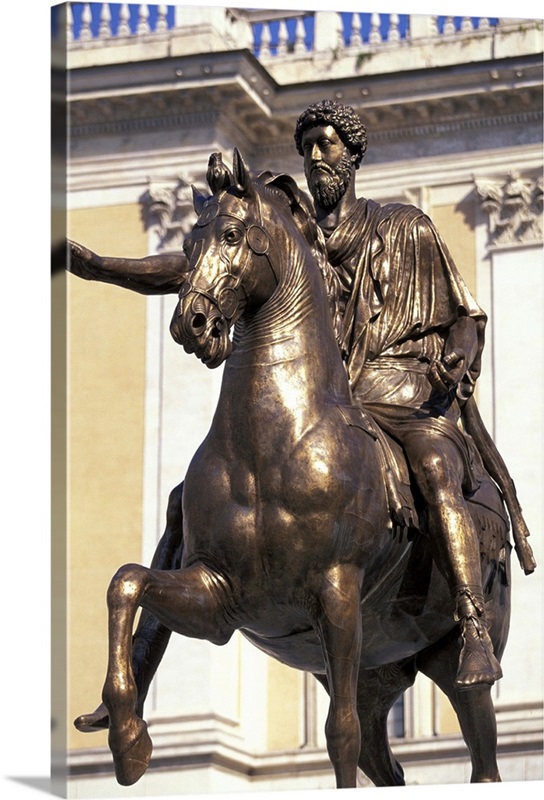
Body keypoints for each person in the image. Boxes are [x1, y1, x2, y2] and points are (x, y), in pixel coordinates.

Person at [71, 102, 531, 733]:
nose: (316, 156)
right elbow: (203, 267)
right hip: (331, 396)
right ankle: (137, 683)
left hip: (402, 390)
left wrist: (459, 352)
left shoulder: (405, 226)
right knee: (186, 504)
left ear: (353, 154)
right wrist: (103, 268)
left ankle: (472, 625)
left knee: (432, 468)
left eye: (328, 144)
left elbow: (465, 316)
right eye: (308, 145)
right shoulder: (292, 233)